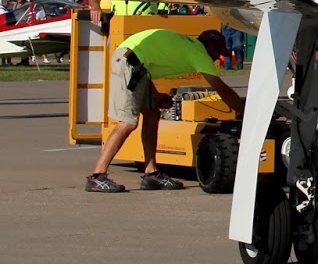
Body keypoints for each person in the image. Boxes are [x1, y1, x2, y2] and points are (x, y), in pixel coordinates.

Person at [86, 28, 242, 192]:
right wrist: (244, 111)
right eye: (217, 51)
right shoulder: (200, 53)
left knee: (153, 114)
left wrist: (155, 94)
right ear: (209, 45)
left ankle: (151, 173)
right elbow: (222, 89)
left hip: (136, 63)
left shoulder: (190, 46)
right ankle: (97, 176)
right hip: (129, 61)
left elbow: (146, 62)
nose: (218, 57)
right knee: (127, 123)